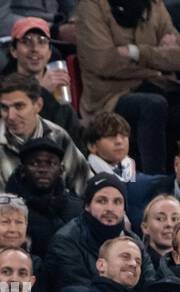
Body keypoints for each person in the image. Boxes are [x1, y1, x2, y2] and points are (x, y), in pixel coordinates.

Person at [76, 0, 180, 175]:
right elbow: (104, 62)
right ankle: (153, 184)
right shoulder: (91, 6)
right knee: (153, 104)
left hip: (158, 84)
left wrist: (136, 52)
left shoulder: (154, 4)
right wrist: (158, 63)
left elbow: (177, 56)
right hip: (111, 95)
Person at [46, 173, 155, 290]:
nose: (110, 208)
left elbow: (150, 286)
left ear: (124, 208)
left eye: (117, 201)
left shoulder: (134, 242)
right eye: (102, 201)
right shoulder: (66, 241)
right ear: (87, 205)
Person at [0, 17, 78, 136]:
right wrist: (41, 92)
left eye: (42, 41)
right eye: (26, 41)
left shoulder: (57, 92)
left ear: (49, 53)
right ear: (14, 50)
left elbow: (72, 141)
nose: (35, 49)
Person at [7, 136, 81, 260]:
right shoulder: (7, 208)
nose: (43, 169)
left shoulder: (76, 210)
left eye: (51, 163)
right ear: (22, 170)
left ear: (61, 170)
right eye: (34, 163)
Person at [139, 194, 180, 276]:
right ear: (145, 227)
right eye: (160, 218)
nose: (169, 224)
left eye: (175, 219)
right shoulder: (138, 264)